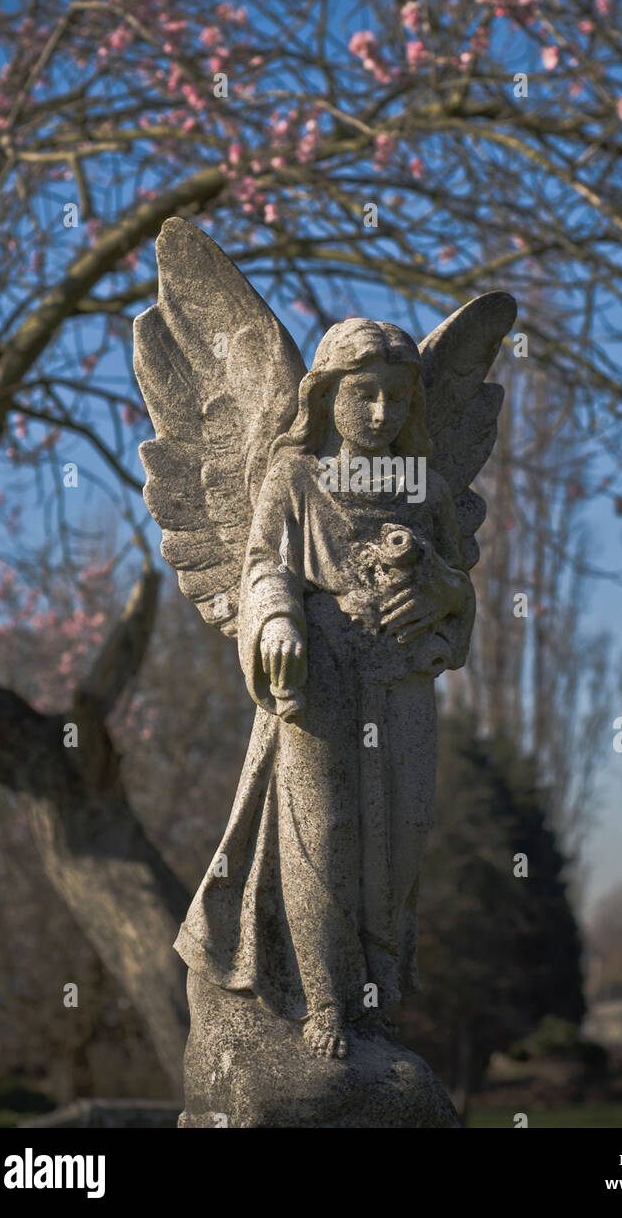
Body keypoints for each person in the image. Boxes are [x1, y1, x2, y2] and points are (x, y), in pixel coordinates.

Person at [173, 318, 475, 1058]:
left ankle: (376, 993)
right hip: (316, 683)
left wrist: (439, 591)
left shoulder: (425, 487)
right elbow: (261, 565)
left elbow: (458, 586)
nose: (380, 414)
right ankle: (326, 1000)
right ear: (326, 395)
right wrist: (276, 620)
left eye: (398, 399)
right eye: (362, 395)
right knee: (323, 838)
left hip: (400, 685)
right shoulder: (295, 477)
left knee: (398, 844)